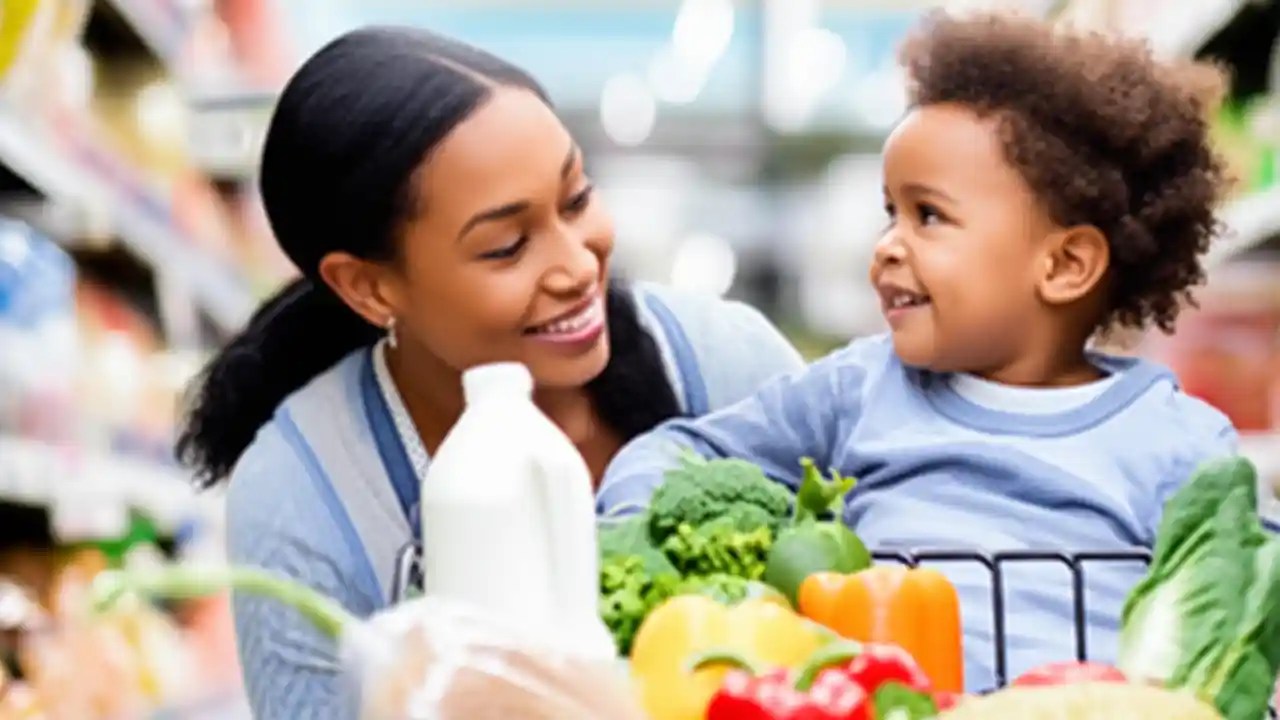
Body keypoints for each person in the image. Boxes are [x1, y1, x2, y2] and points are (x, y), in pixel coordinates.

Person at [598, 11, 1238, 692]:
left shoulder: (1178, 443)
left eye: (928, 215)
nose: (887, 245)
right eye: (889, 212)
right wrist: (644, 534)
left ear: (1065, 264)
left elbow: (1245, 596)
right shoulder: (857, 390)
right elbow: (682, 450)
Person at [174, 26, 804, 717]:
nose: (578, 265)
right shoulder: (305, 495)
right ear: (368, 287)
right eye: (506, 246)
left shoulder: (729, 367)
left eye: (576, 199)